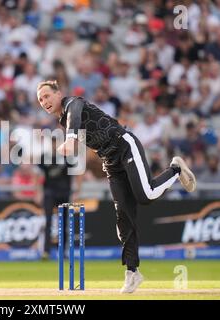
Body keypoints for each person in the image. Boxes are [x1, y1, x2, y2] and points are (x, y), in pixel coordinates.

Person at [36, 80, 197, 294]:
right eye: (40, 100)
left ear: (58, 94)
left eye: (47, 96)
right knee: (123, 216)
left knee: (146, 195)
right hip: (110, 162)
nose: (44, 101)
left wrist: (71, 137)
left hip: (125, 147)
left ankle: (175, 169)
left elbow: (76, 111)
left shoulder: (72, 103)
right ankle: (133, 272)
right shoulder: (62, 120)